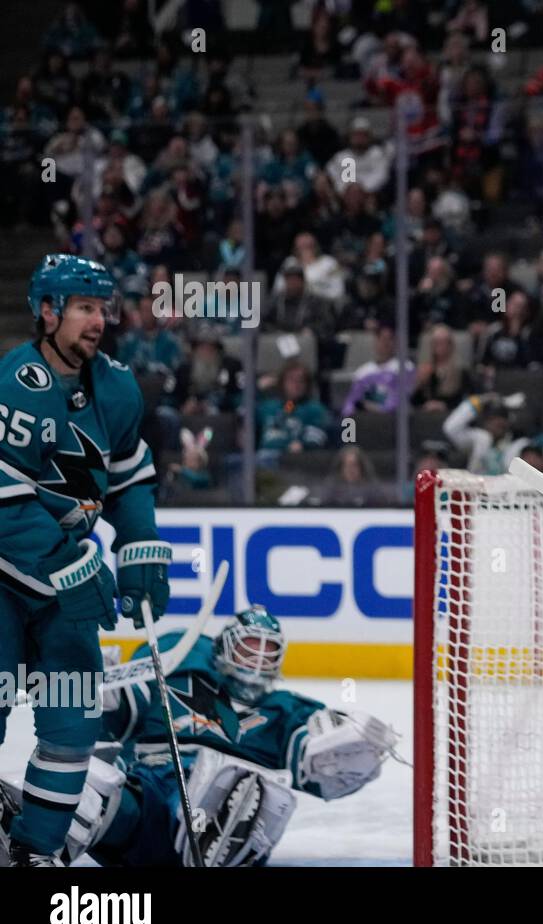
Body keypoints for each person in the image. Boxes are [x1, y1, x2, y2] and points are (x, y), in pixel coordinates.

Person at [0, 255, 169, 866]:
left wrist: (141, 547)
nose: (99, 321)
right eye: (84, 308)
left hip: (64, 591)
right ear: (48, 312)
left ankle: (33, 853)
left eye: (103, 308)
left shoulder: (118, 387)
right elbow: (4, 501)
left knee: (72, 727)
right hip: (5, 585)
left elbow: (128, 480)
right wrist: (67, 566)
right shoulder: (14, 383)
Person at [2, 608, 399, 866]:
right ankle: (30, 848)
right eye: (249, 646)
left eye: (267, 650)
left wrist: (351, 747)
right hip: (150, 804)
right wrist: (100, 691)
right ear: (225, 645)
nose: (258, 658)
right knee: (92, 783)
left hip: (222, 820)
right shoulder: (182, 658)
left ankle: (213, 839)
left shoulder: (288, 709)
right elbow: (119, 714)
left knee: (244, 791)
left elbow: (321, 768)